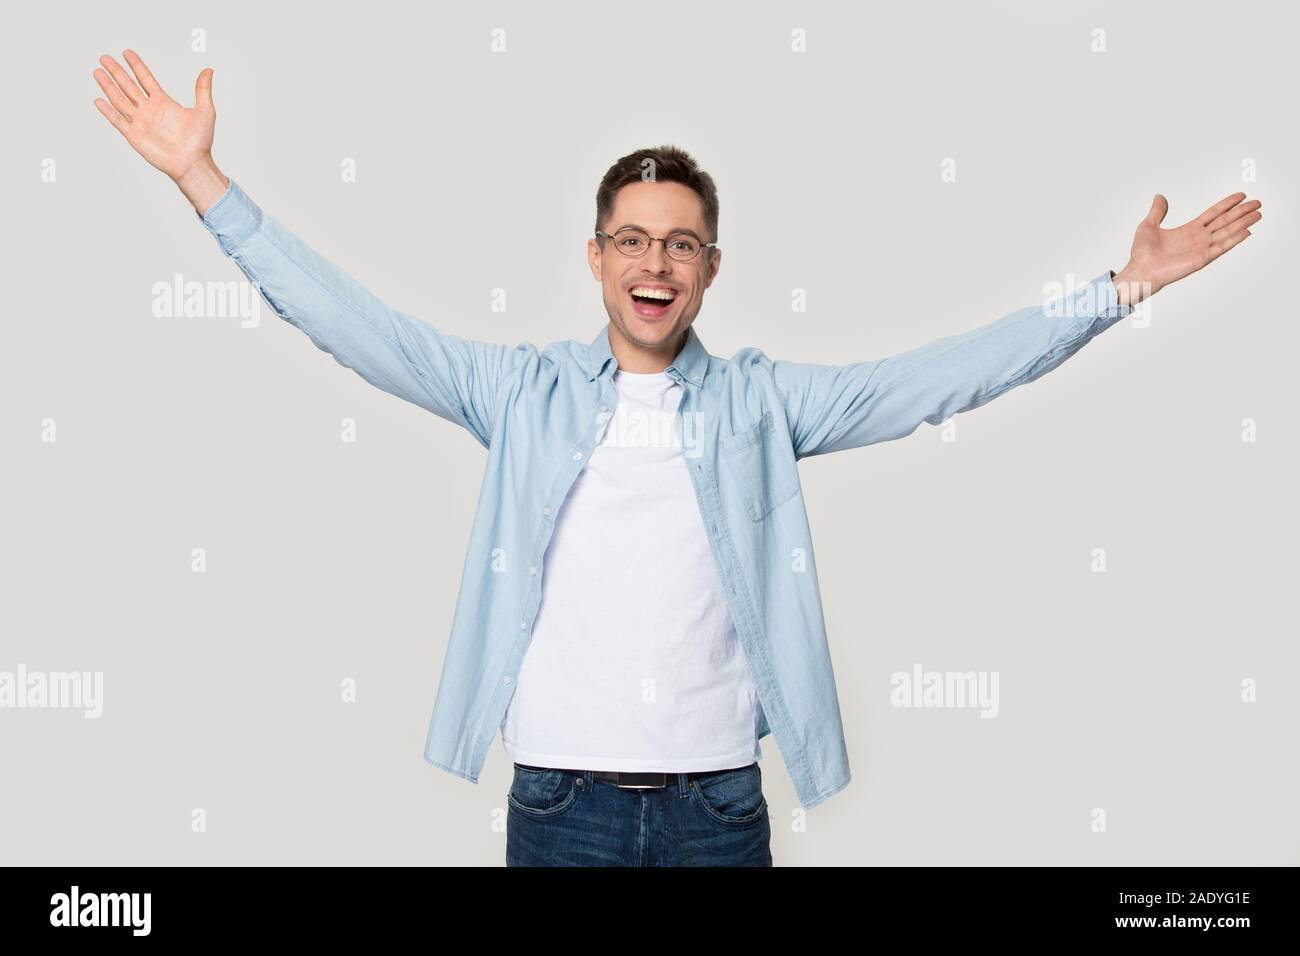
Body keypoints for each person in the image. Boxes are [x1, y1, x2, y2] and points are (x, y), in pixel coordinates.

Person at [92, 50, 1262, 867]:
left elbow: (938, 375)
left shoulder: (759, 403)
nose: (658, 263)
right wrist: (202, 181)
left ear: (710, 266)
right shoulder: (519, 391)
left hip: (718, 805)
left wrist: (1117, 290)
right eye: (635, 240)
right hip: (558, 805)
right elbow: (351, 321)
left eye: (683, 244)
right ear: (596, 257)